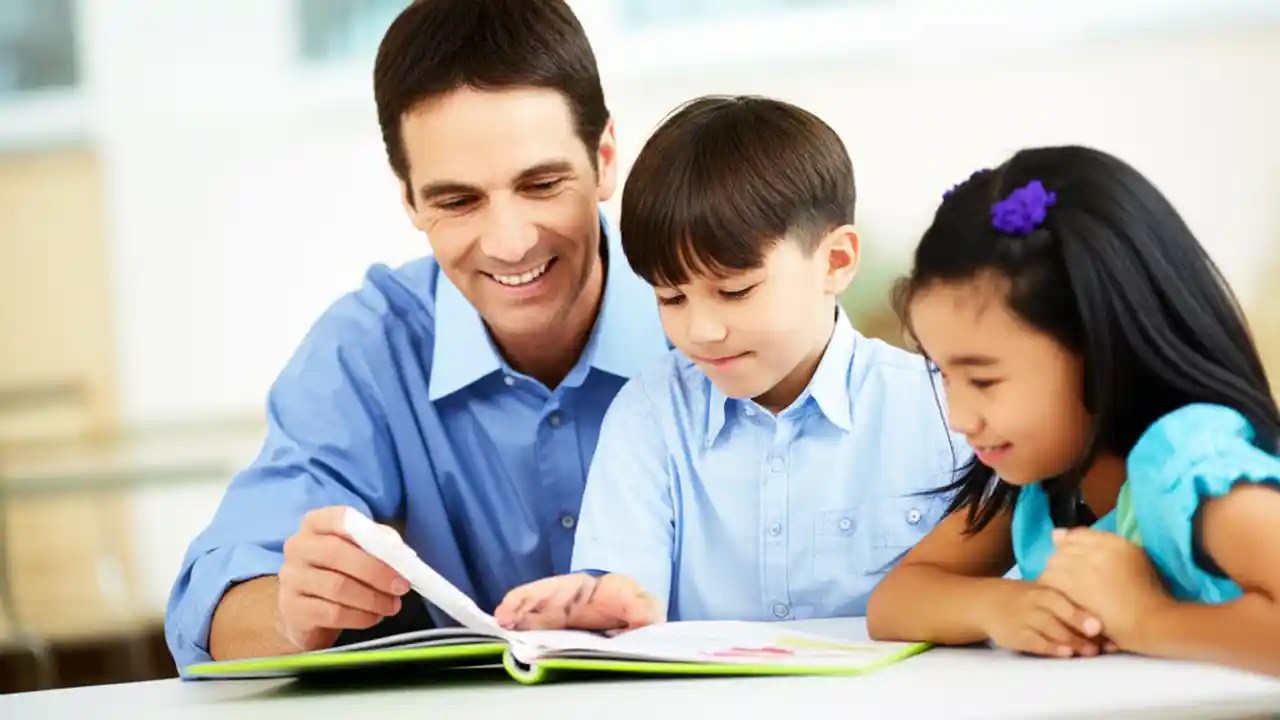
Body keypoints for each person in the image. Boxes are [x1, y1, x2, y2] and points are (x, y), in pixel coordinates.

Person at [164, 0, 670, 669]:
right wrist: (292, 615)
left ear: (604, 158)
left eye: (542, 184)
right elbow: (216, 601)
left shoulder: (714, 313)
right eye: (458, 201)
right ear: (408, 197)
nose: (510, 242)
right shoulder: (369, 352)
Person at [492, 95, 969, 632]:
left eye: (735, 291)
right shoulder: (652, 414)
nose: (701, 331)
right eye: (671, 298)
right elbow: (626, 591)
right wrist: (597, 602)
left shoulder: (941, 411)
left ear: (835, 261)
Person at [865, 145, 1280, 677]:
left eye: (984, 379)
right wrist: (996, 606)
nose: (960, 416)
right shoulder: (1043, 483)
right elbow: (896, 599)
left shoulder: (1190, 468)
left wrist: (1149, 619)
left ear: (1102, 347)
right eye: (945, 375)